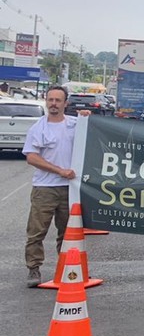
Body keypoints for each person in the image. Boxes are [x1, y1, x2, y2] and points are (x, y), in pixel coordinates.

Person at [22, 85, 86, 288]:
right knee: (36, 231)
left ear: (66, 103)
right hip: (45, 188)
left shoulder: (76, 124)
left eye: (58, 100)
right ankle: (33, 268)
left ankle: (66, 267)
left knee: (67, 232)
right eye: (50, 100)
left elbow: (96, 132)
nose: (54, 104)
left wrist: (87, 116)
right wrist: (59, 171)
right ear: (46, 101)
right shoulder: (38, 128)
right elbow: (32, 157)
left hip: (70, 189)